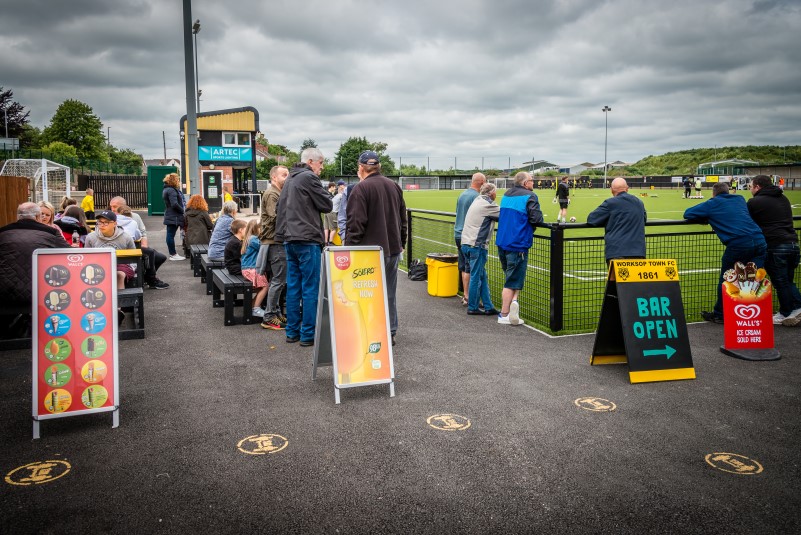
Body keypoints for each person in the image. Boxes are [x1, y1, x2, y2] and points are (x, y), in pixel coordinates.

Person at [345, 150, 408, 345]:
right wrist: (401, 243)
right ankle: (389, 331)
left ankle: (368, 331)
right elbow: (403, 220)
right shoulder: (394, 186)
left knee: (365, 292)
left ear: (361, 168)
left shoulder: (360, 189)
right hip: (392, 249)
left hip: (368, 252)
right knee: (388, 292)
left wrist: (349, 249)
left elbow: (355, 224)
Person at [684, 182, 767, 324]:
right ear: (728, 191)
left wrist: (708, 218)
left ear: (714, 193)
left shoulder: (713, 203)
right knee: (753, 279)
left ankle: (720, 314)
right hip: (760, 241)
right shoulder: (740, 198)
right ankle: (753, 315)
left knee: (727, 278)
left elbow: (688, 213)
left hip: (739, 244)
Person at [275, 147, 333, 346]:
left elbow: (280, 210)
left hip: (289, 239)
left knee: (294, 287)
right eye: (321, 163)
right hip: (306, 240)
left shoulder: (290, 179)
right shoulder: (308, 177)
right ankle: (308, 334)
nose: (322, 167)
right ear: (311, 161)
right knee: (310, 288)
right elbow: (327, 205)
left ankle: (292, 331)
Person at [747, 175, 801, 326]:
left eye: (751, 186)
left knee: (780, 281)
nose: (750, 189)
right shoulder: (783, 198)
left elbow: (748, 221)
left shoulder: (755, 202)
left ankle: (785, 313)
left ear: (757, 186)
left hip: (775, 245)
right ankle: (797, 307)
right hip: (793, 244)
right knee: (788, 280)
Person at [494, 171, 543, 326]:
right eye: (531, 180)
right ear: (524, 183)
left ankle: (514, 305)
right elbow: (537, 219)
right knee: (511, 281)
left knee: (512, 277)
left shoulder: (507, 194)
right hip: (518, 243)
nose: (533, 183)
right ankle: (504, 314)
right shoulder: (530, 196)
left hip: (503, 241)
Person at [0, 202, 68, 310]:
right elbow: (68, 254)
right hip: (40, 292)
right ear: (37, 216)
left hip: (5, 292)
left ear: (18, 216)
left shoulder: (3, 232)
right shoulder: (51, 233)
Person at [109, 196, 169, 290]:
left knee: (160, 257)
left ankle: (145, 277)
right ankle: (151, 280)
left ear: (123, 206)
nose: (112, 209)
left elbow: (142, 232)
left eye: (115, 206)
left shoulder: (134, 216)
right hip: (123, 248)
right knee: (150, 254)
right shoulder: (109, 218)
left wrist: (144, 244)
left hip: (135, 246)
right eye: (111, 206)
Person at [460, 183, 500, 316]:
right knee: (476, 277)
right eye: (495, 192)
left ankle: (488, 306)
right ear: (491, 193)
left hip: (466, 243)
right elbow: (505, 215)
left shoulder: (477, 200)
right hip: (476, 246)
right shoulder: (488, 205)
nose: (496, 194)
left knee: (482, 275)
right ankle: (472, 307)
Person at [587, 177, 647, 265]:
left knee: (615, 279)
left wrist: (609, 220)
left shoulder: (610, 203)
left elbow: (592, 219)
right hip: (638, 252)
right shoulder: (639, 202)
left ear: (611, 190)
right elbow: (644, 219)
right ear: (627, 188)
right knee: (634, 279)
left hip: (617, 252)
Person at [259, 165, 289, 330]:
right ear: (274, 177)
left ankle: (275, 313)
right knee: (278, 280)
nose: (287, 177)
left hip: (274, 242)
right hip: (274, 242)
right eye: (284, 175)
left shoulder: (278, 193)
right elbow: (276, 217)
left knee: (277, 280)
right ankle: (269, 316)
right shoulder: (272, 194)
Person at [454, 173, 486, 306]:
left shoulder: (462, 195)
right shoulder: (477, 197)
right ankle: (474, 299)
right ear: (482, 182)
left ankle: (466, 296)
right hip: (469, 236)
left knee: (464, 266)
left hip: (458, 233)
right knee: (473, 268)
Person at [85, 210, 136, 288]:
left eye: (106, 222)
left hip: (121, 265)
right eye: (100, 222)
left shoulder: (126, 237)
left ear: (115, 223)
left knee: (119, 275)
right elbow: (87, 257)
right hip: (98, 265)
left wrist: (132, 267)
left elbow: (134, 257)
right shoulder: (91, 237)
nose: (102, 225)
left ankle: (120, 299)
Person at [239, 219, 269, 319]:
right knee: (265, 286)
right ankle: (256, 308)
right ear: (258, 229)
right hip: (251, 268)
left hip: (247, 269)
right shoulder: (254, 240)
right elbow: (264, 248)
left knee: (261, 287)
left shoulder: (248, 238)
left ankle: (251, 307)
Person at [162, 172, 186, 260]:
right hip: (174, 216)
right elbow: (174, 204)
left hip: (170, 214)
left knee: (170, 234)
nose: (179, 181)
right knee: (170, 235)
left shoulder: (167, 189)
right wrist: (182, 211)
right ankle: (173, 254)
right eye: (178, 179)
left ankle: (173, 254)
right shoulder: (171, 190)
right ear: (174, 181)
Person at [330, 181, 346, 245]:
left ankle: (327, 241)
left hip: (329, 212)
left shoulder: (336, 195)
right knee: (334, 228)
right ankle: (331, 242)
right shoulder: (341, 195)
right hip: (333, 212)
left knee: (327, 228)